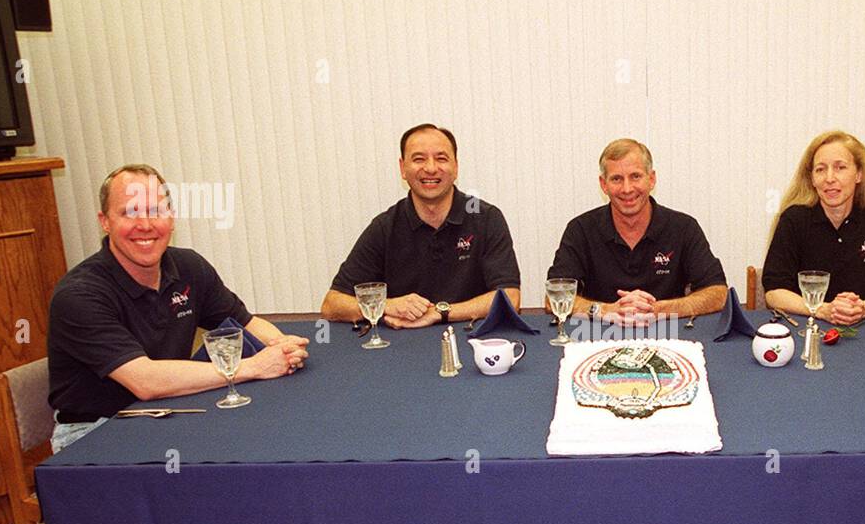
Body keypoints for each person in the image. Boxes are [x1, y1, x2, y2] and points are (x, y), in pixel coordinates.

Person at [48, 165, 310, 451]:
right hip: (94, 431)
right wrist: (253, 367)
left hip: (168, 411)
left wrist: (281, 345)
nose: (145, 225)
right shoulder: (79, 295)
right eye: (129, 212)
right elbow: (145, 381)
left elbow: (246, 323)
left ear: (171, 218)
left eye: (156, 211)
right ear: (105, 221)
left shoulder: (189, 267)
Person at [320, 123, 521, 328]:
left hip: (470, 338)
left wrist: (439, 312)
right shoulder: (385, 227)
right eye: (419, 159)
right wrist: (387, 306)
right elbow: (332, 305)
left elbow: (510, 298)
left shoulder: (486, 218)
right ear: (402, 168)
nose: (431, 168)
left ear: (456, 167)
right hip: (403, 344)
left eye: (441, 158)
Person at [546, 139, 727, 323]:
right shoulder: (580, 230)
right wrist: (607, 311)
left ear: (652, 179)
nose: (627, 189)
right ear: (603, 184)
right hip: (597, 335)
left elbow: (718, 293)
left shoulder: (684, 227)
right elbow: (553, 298)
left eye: (635, 176)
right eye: (617, 179)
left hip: (670, 334)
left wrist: (658, 310)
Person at [761, 130, 865, 325]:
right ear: (812, 178)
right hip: (805, 326)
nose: (829, 178)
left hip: (861, 328)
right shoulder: (793, 219)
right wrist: (822, 310)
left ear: (859, 174)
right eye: (820, 169)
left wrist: (864, 308)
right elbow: (774, 293)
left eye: (840, 168)